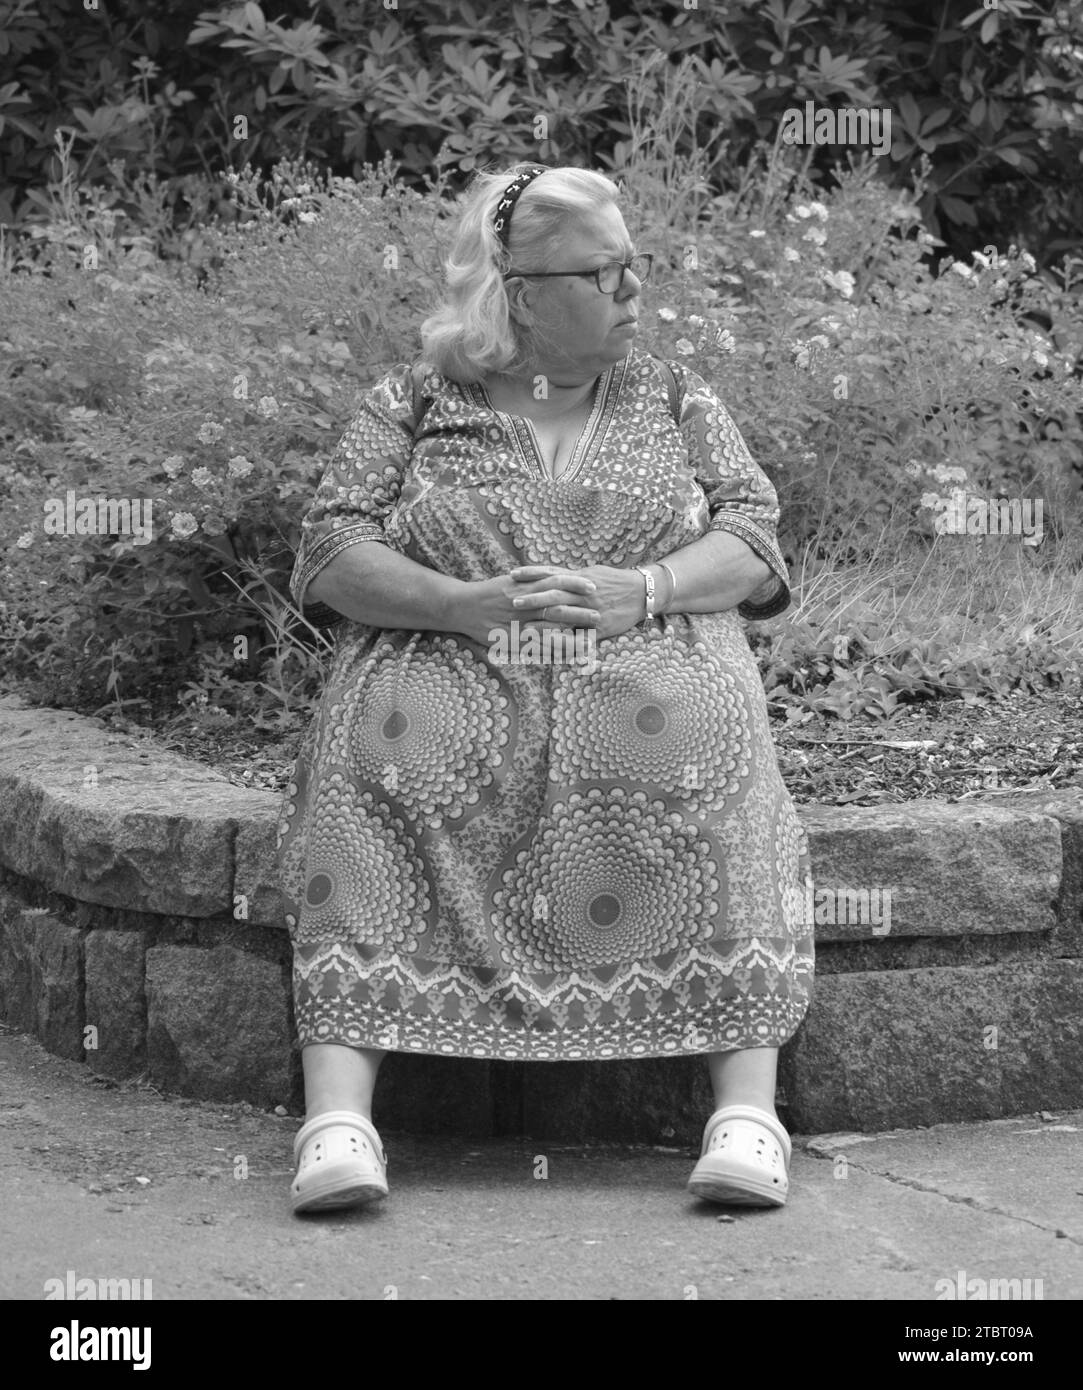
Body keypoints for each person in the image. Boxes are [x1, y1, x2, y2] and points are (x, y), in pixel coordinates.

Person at [276, 162, 814, 1215]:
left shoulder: (673, 394)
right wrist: (459, 601)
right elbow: (330, 548)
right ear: (517, 292)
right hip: (449, 661)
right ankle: (337, 1121)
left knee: (712, 736)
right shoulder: (415, 399)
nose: (632, 292)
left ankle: (747, 1113)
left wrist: (644, 587)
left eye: (634, 265)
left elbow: (753, 535)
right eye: (602, 271)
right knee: (377, 754)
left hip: (653, 661)